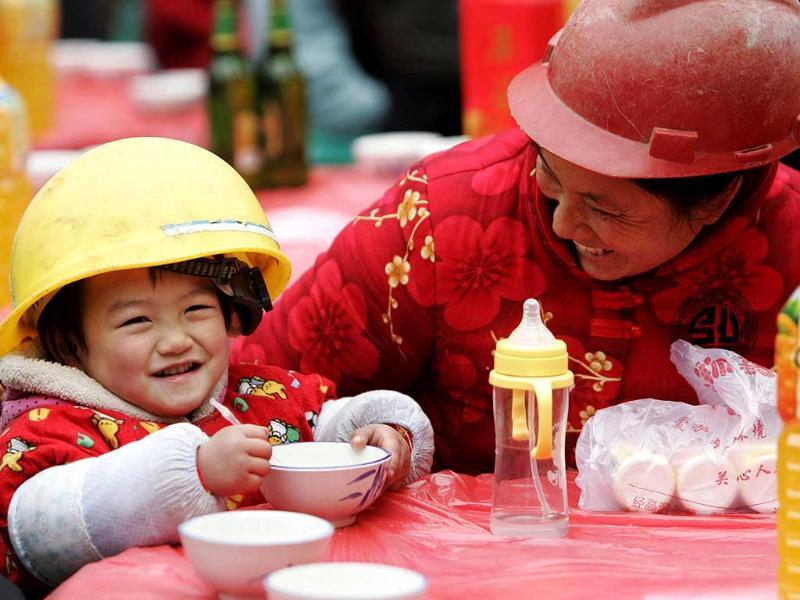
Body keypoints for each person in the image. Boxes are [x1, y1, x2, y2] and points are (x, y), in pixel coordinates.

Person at [233, 0, 800, 475]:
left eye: (605, 209)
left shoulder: (789, 245)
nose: (561, 225)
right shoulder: (440, 219)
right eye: (550, 177)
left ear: (719, 199)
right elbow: (255, 396)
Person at [0, 137, 434, 594]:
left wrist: (381, 436)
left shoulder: (254, 400)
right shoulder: (50, 429)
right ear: (68, 345)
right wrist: (192, 472)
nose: (175, 340)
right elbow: (38, 533)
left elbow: (326, 427)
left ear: (233, 312)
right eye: (137, 321)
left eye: (195, 311)